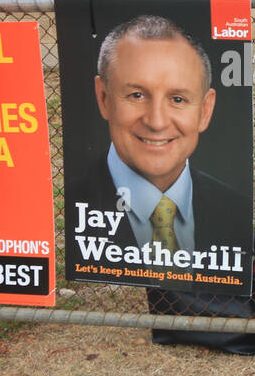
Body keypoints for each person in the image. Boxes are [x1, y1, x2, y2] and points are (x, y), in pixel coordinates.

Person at [78, 14, 244, 255]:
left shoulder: (235, 210)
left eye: (178, 99)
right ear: (103, 98)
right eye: (137, 95)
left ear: (205, 111)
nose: (156, 122)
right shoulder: (77, 201)